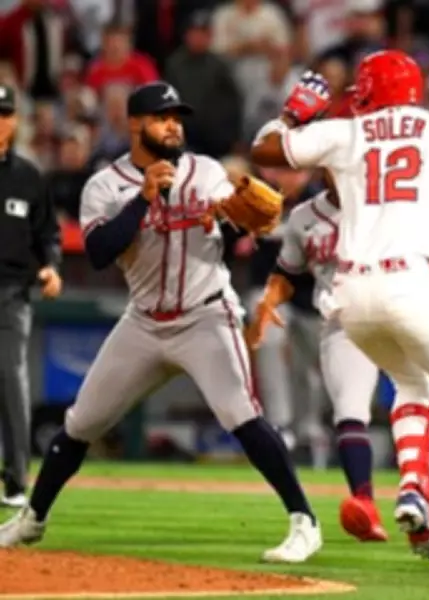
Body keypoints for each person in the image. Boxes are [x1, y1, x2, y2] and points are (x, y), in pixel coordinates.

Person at [0, 82, 322, 564]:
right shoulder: (105, 185)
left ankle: (304, 521)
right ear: (135, 125)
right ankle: (33, 519)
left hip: (205, 314)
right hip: (144, 322)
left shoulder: (206, 171)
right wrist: (143, 199)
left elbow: (243, 223)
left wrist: (238, 216)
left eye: (177, 116)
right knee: (81, 422)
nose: (173, 124)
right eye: (161, 116)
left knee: (242, 413)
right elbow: (99, 252)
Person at [249, 51, 429, 573]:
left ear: (369, 91)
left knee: (413, 387)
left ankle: (413, 488)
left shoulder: (346, 132)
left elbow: (265, 147)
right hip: (409, 279)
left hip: (350, 295)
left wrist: (292, 115)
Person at [246, 185, 429, 550]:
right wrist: (269, 300)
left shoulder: (394, 206)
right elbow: (287, 272)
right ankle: (364, 503)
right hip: (343, 323)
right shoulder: (304, 217)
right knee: (349, 410)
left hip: (400, 318)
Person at [0, 84, 62, 508]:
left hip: (11, 292)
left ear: (15, 121)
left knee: (12, 380)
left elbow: (48, 233)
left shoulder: (28, 175)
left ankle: (17, 482)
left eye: (5, 113)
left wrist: (52, 266)